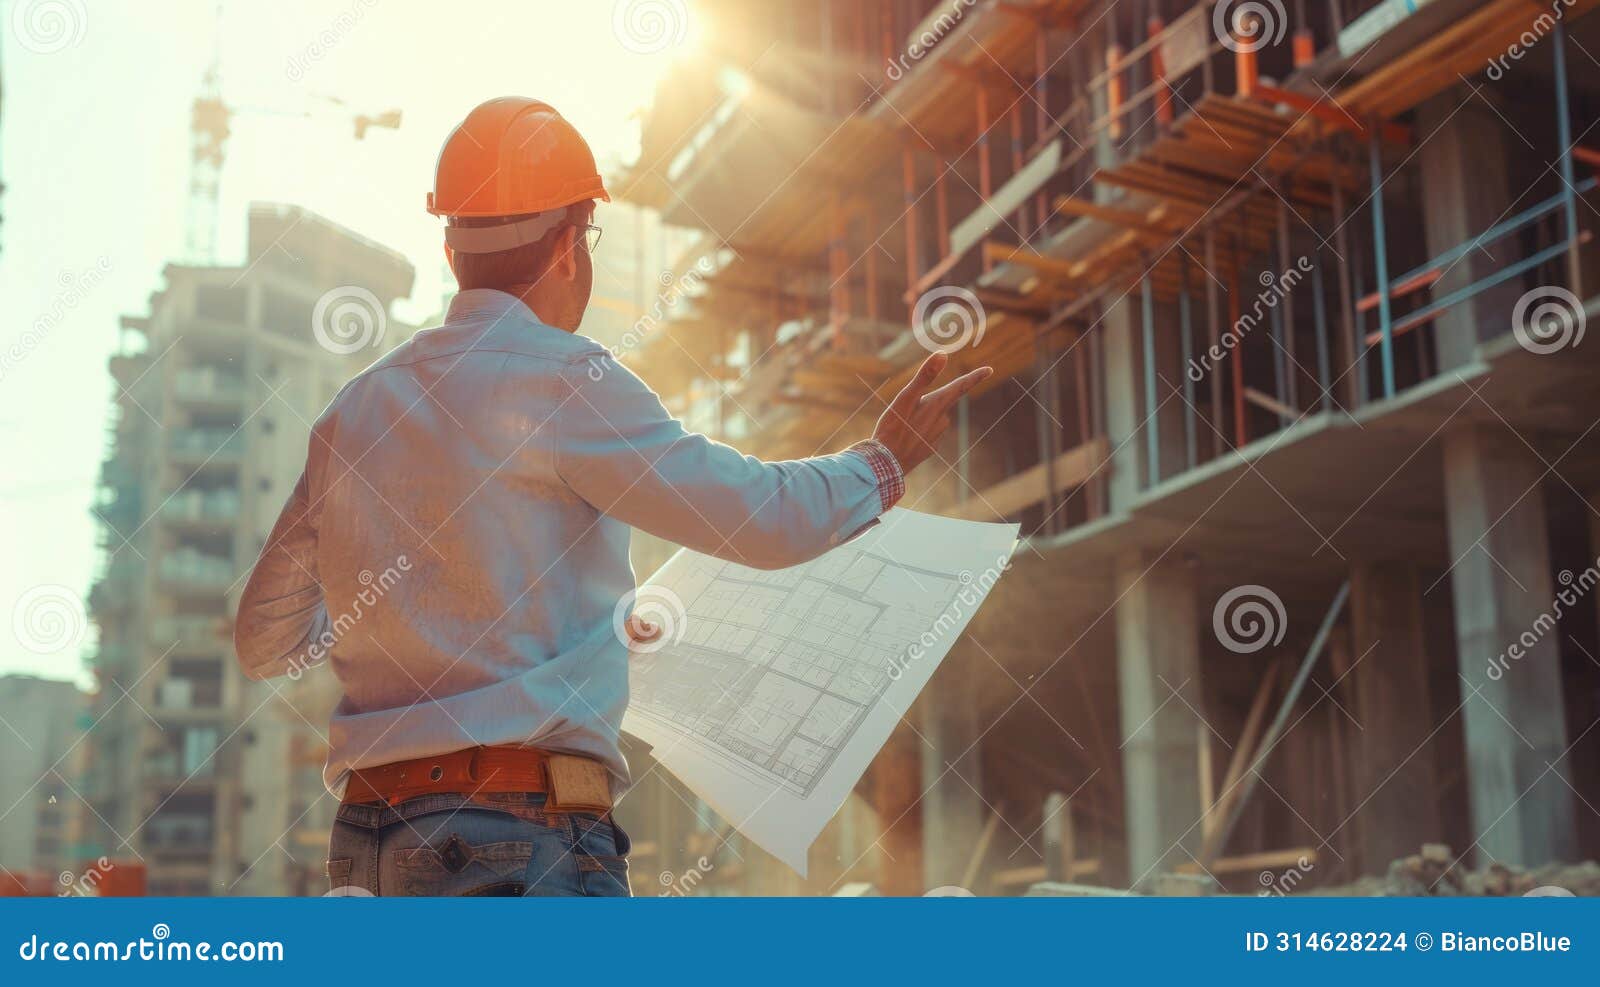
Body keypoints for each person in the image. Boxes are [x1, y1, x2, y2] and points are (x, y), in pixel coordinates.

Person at [234, 97, 991, 896]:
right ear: (569, 246)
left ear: (451, 251)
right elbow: (763, 518)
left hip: (369, 842)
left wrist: (393, 621)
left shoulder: (352, 412)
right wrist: (884, 462)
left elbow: (263, 641)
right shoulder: (568, 381)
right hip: (519, 833)